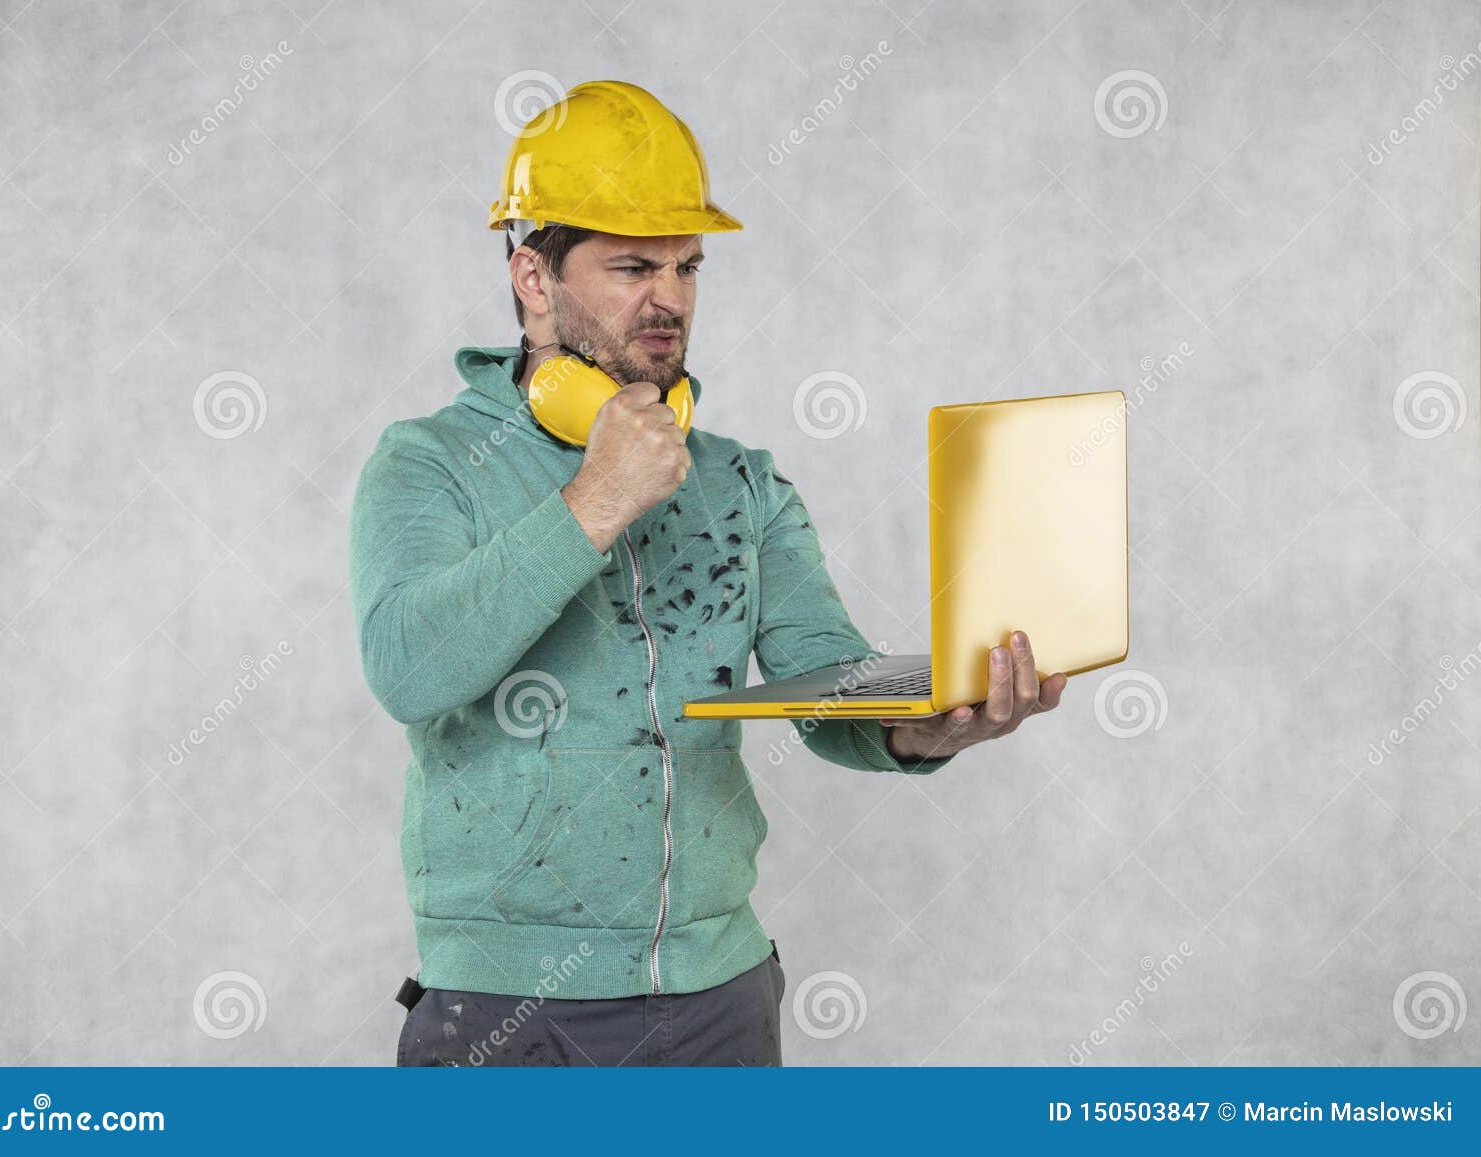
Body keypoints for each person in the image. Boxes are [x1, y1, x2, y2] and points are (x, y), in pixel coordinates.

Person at [348, 80, 1066, 1067]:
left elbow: (824, 680)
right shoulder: (427, 461)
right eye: (633, 264)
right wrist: (594, 500)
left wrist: (926, 720)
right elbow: (407, 667)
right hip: (507, 1006)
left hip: (719, 998)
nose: (671, 298)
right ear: (532, 276)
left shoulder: (739, 480)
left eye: (687, 265)